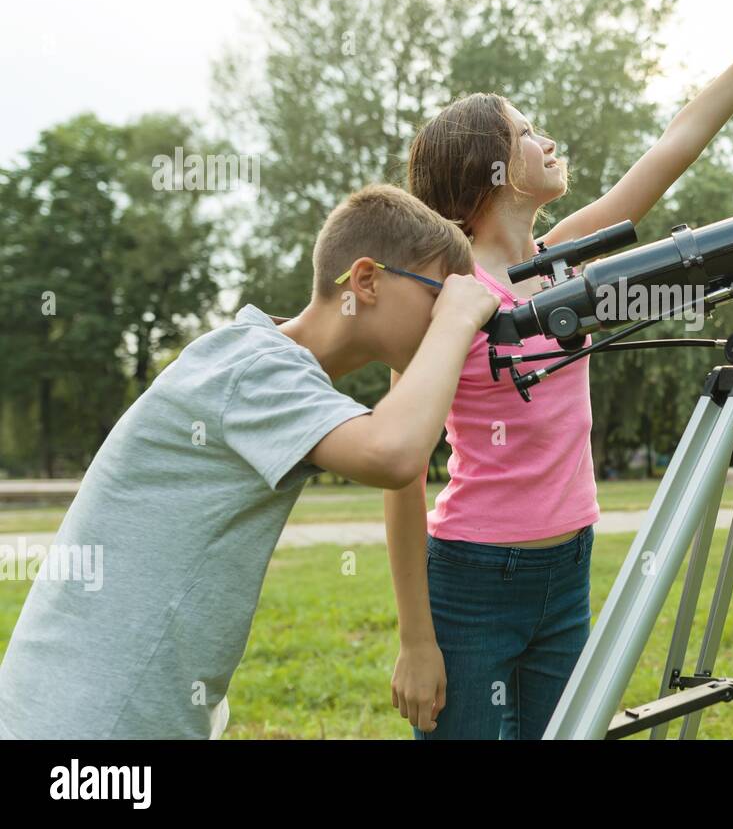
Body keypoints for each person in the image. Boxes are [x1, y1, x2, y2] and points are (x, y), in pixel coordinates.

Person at [387, 0, 733, 739]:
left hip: (567, 568)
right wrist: (415, 640)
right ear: (491, 173)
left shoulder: (567, 264)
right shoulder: (440, 303)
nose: (549, 140)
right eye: (528, 133)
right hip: (470, 578)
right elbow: (400, 474)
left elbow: (677, 141)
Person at [0, 185, 499, 739]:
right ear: (365, 280)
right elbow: (392, 454)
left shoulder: (260, 361)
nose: (449, 314)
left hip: (115, 708)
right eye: (438, 294)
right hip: (96, 720)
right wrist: (456, 321)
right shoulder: (252, 369)